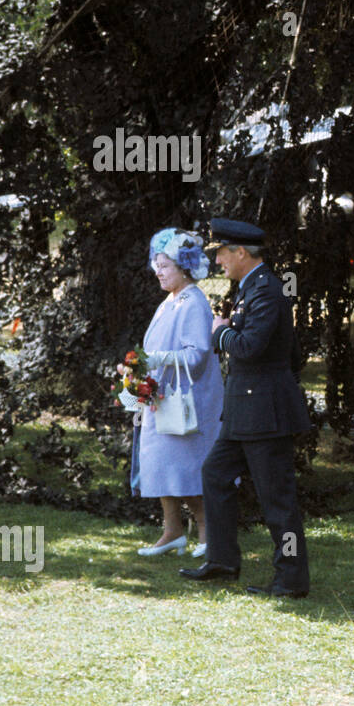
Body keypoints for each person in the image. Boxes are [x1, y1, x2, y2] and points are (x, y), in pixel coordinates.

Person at [179, 218, 312, 598]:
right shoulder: (250, 288)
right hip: (245, 411)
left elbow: (250, 347)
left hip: (264, 414)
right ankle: (222, 560)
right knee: (216, 474)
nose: (218, 260)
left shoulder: (266, 290)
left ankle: (291, 578)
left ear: (240, 252)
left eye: (221, 252)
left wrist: (219, 331)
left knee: (278, 501)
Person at [129, 229, 223, 558]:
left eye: (165, 265)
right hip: (163, 398)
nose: (158, 271)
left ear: (184, 267)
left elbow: (196, 355)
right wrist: (138, 370)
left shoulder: (194, 302)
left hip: (188, 402)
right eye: (156, 264)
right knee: (159, 465)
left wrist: (157, 361)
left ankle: (209, 534)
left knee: (184, 469)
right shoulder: (170, 301)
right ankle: (172, 532)